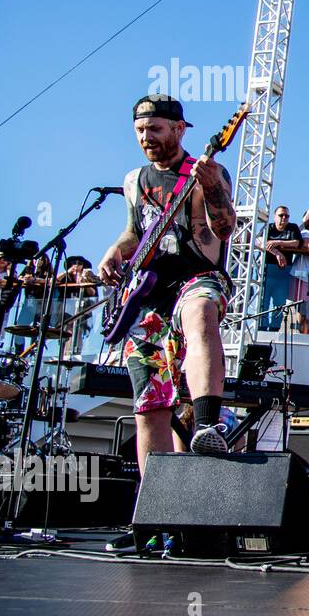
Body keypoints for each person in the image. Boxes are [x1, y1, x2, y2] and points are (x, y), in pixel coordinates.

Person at [98, 94, 236, 552]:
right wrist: (114, 253)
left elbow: (225, 226)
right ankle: (154, 518)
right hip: (148, 297)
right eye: (140, 131)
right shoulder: (134, 181)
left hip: (197, 276)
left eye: (155, 129)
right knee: (150, 408)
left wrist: (213, 186)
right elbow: (134, 230)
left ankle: (207, 424)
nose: (146, 138)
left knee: (200, 313)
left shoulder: (205, 172)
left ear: (180, 129)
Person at [260, 207, 302, 331]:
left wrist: (277, 242)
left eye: (287, 216)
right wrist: (277, 253)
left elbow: (297, 242)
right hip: (268, 270)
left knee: (280, 303)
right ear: (275, 216)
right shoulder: (269, 228)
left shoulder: (292, 227)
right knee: (263, 302)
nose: (284, 218)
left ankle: (274, 329)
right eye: (281, 215)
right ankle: (261, 328)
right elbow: (260, 241)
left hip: (284, 272)